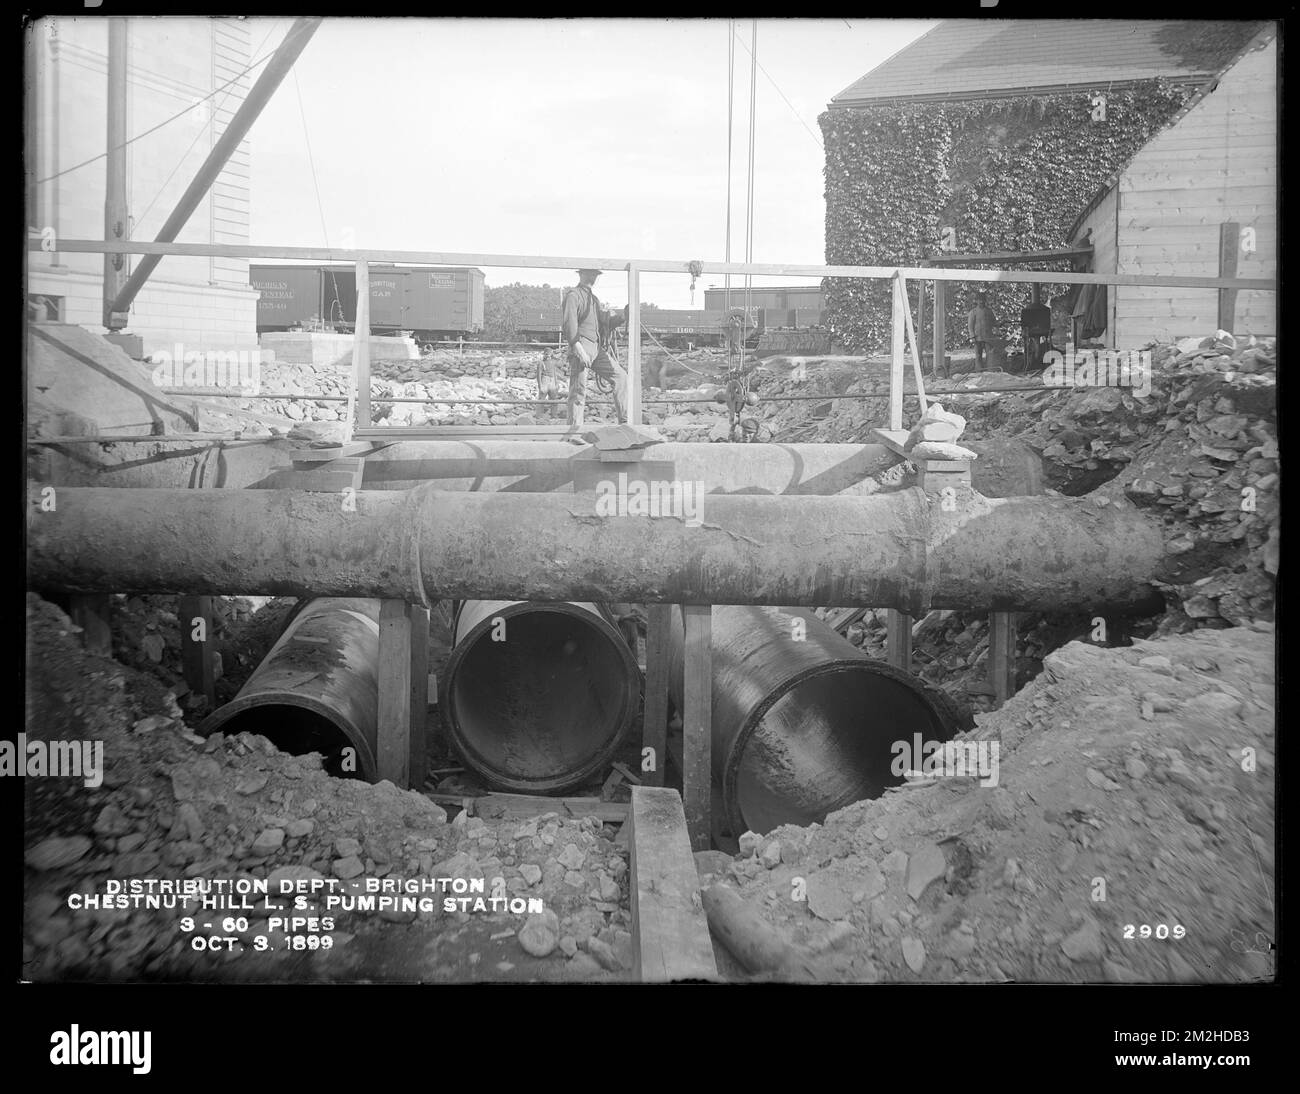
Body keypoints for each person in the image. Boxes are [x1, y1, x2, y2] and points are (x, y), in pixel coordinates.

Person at [562, 269, 628, 429]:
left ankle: (625, 422)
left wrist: (623, 317)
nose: (593, 277)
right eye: (590, 274)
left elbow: (602, 324)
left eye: (596, 274)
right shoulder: (574, 295)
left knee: (621, 377)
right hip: (582, 346)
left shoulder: (594, 299)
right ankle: (574, 432)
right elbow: (569, 323)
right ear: (581, 274)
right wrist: (578, 349)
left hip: (596, 348)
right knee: (578, 391)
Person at [966, 292, 998, 370]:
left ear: (985, 301)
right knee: (978, 355)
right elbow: (970, 326)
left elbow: (994, 322)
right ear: (976, 301)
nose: (981, 302)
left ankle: (989, 370)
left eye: (983, 300)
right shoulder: (973, 312)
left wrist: (999, 325)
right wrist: (972, 336)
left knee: (989, 354)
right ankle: (979, 371)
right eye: (979, 300)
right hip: (977, 337)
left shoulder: (989, 311)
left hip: (988, 337)